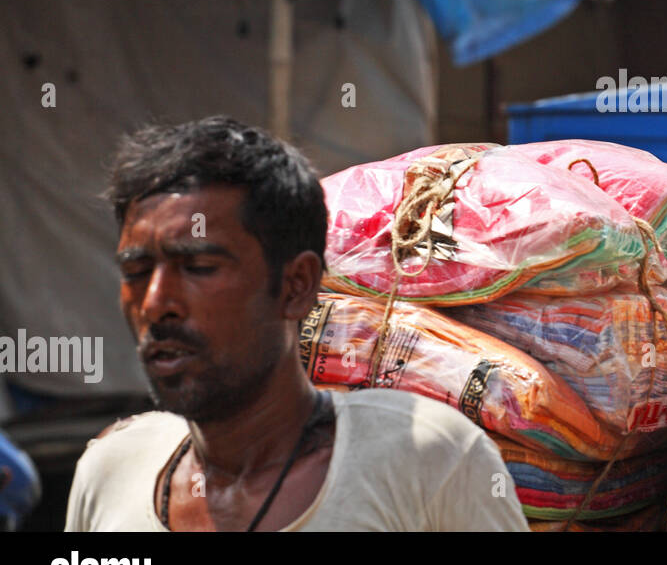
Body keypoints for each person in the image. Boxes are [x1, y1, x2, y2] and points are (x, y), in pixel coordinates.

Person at [65, 116, 528, 531]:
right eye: (136, 272)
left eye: (199, 267)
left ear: (296, 286)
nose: (155, 303)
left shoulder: (430, 463)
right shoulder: (110, 473)